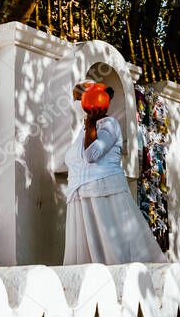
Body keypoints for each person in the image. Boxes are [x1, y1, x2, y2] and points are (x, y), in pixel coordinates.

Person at [63, 80, 167, 265]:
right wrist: (89, 124)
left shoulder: (108, 124)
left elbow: (91, 154)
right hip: (82, 196)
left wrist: (91, 121)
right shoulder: (84, 129)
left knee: (114, 252)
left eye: (78, 98)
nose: (76, 103)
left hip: (103, 195)